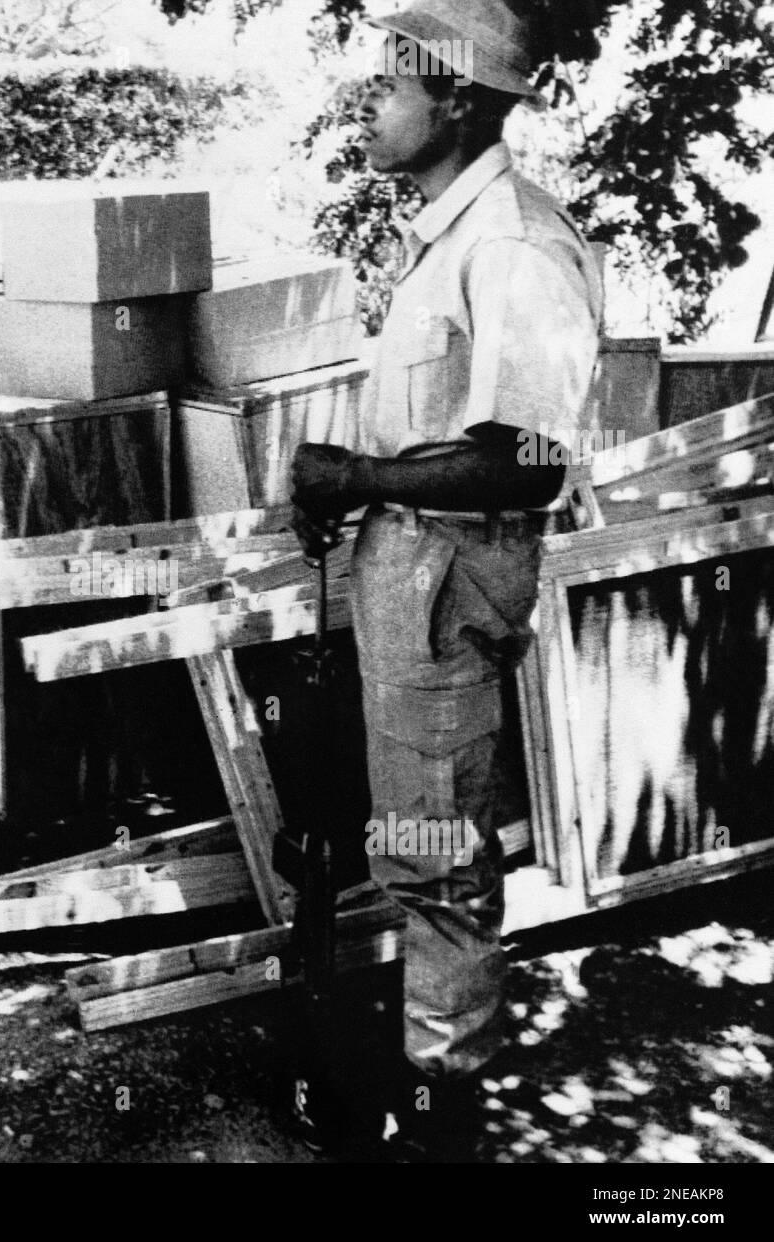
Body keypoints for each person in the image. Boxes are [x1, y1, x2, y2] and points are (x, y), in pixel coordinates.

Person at [289, 0, 603, 1161]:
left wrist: (355, 470)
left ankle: (442, 1104)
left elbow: (530, 460)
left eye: (389, 83)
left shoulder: (512, 243)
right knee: (412, 831)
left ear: (460, 101)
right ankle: (432, 1057)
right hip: (407, 558)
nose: (366, 102)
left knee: (434, 842)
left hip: (446, 568)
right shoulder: (447, 231)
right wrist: (359, 484)